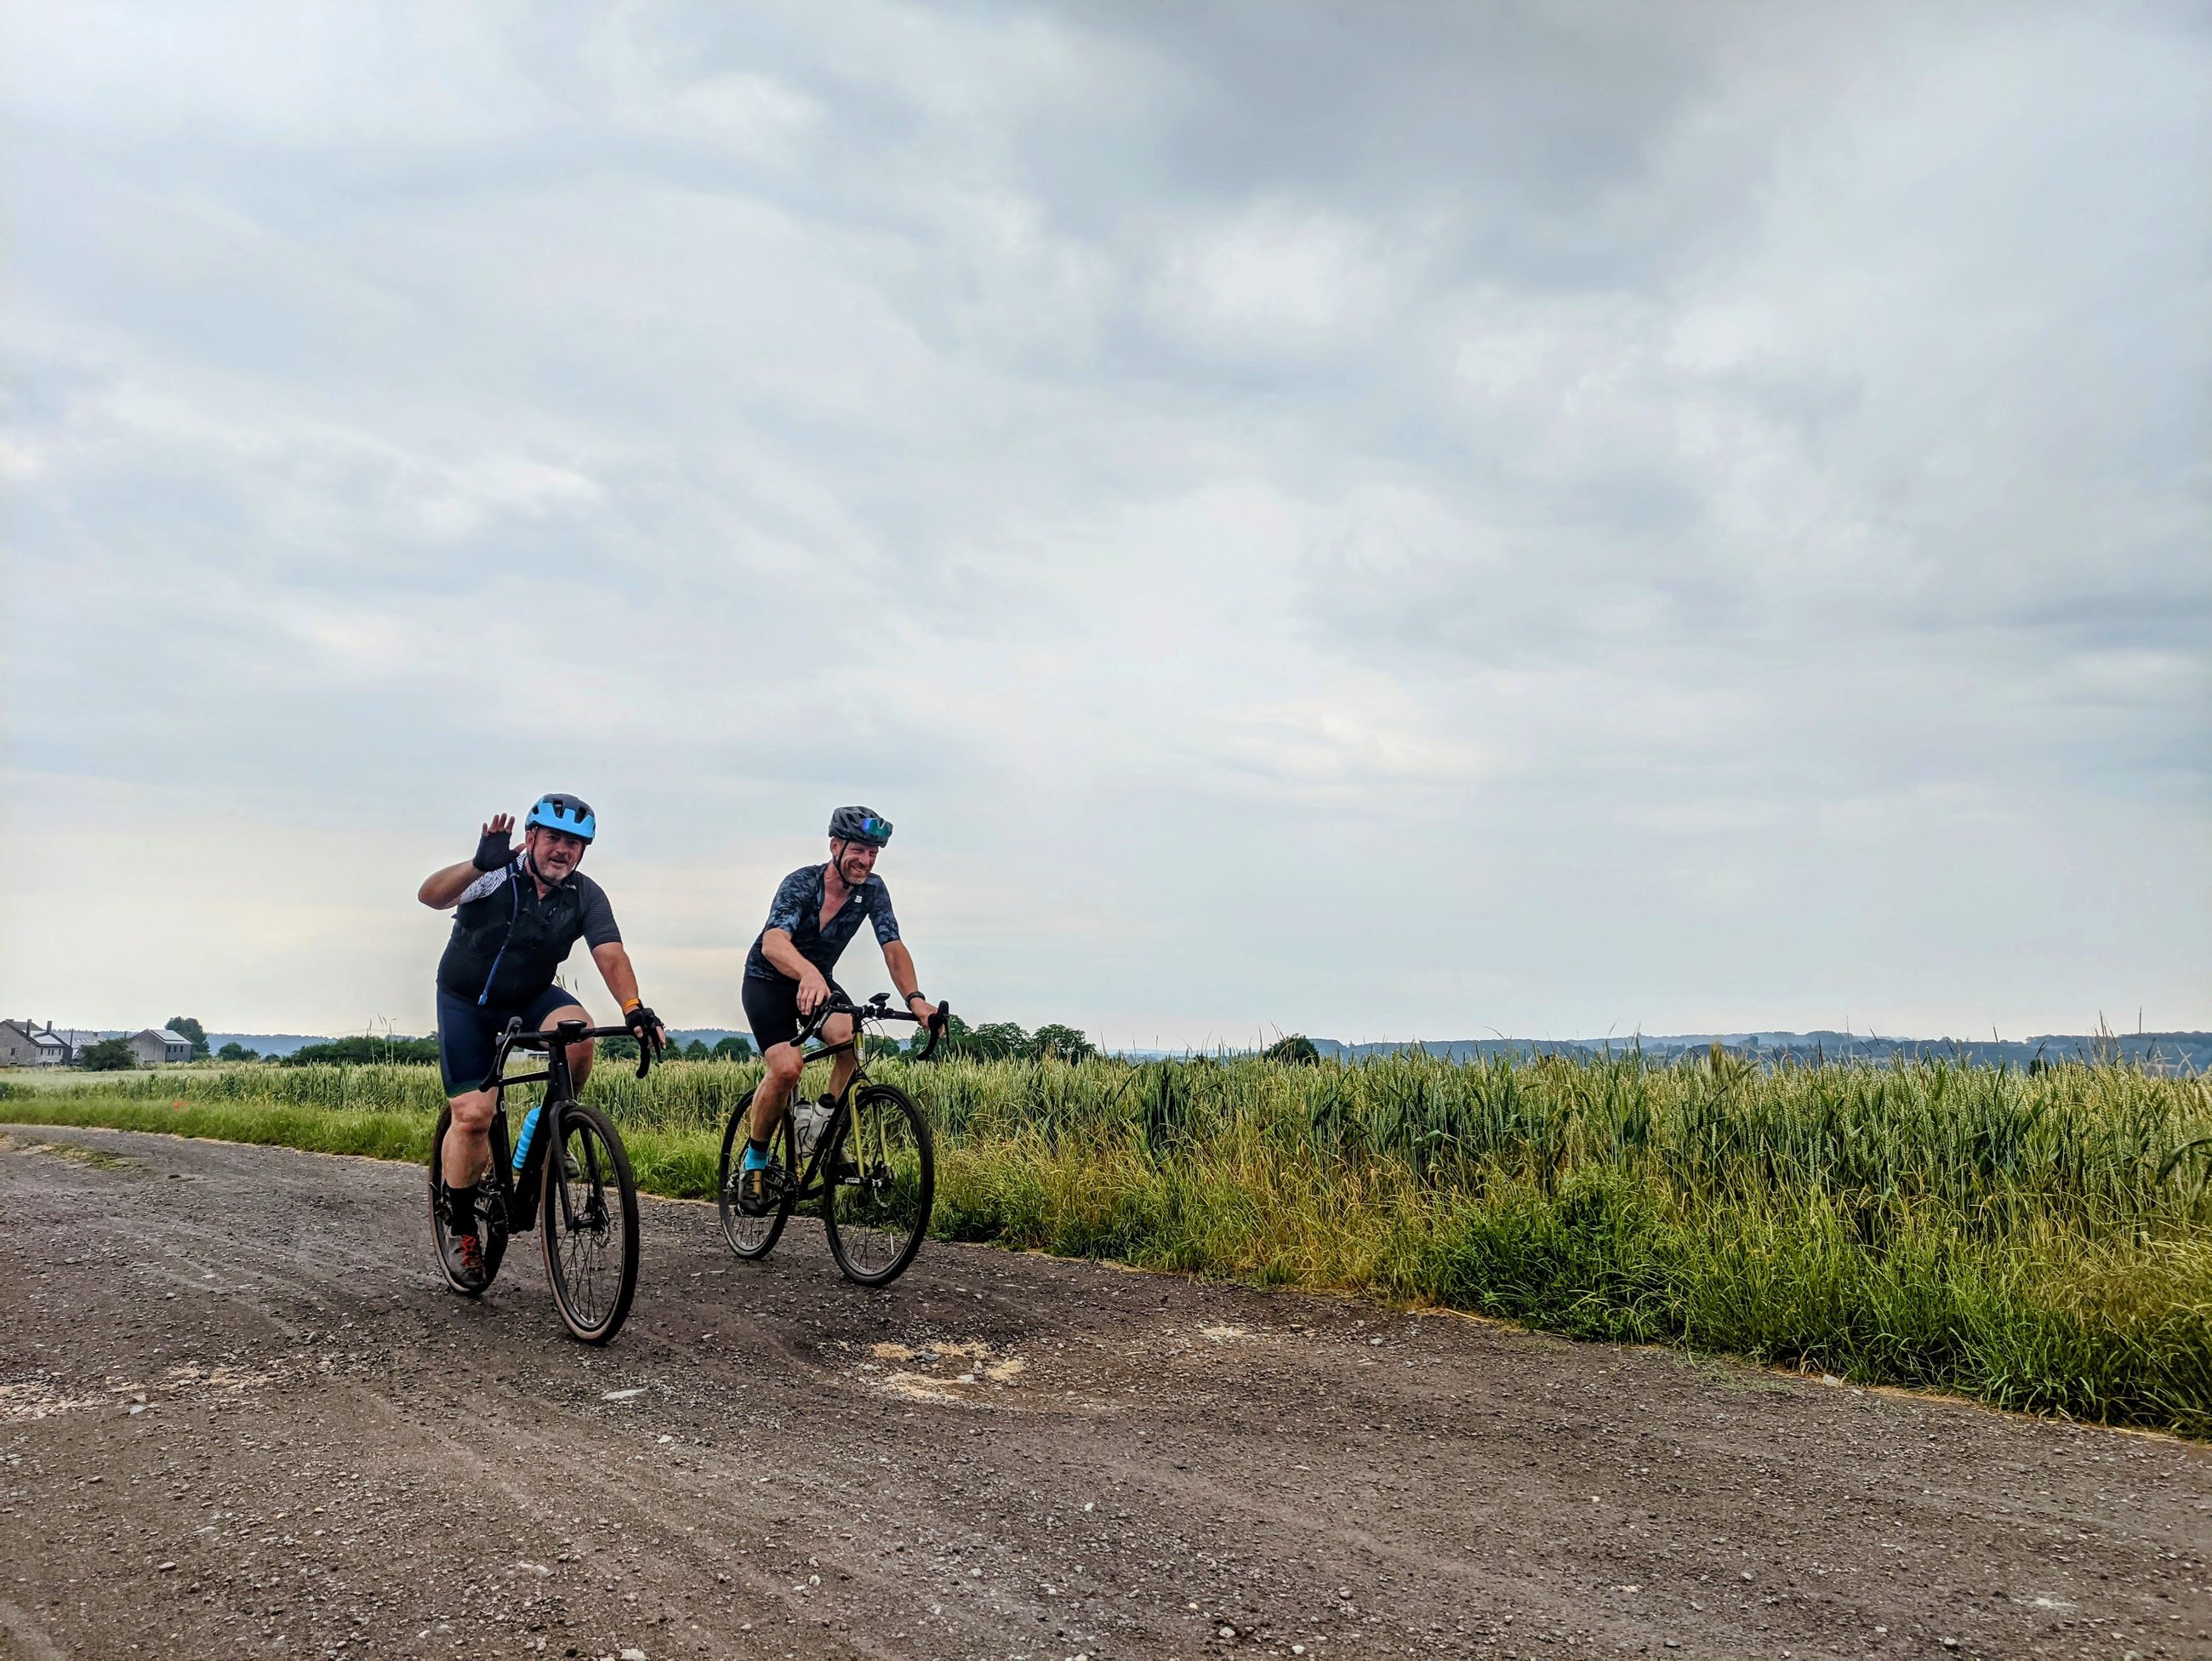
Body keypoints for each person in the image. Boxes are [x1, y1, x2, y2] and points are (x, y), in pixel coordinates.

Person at [416, 793, 664, 1286]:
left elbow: (610, 955)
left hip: (530, 996)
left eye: (574, 843)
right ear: (530, 838)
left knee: (580, 1035)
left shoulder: (585, 895)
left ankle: (546, 1127)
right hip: (467, 1003)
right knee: (473, 1117)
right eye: (553, 838)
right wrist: (474, 864)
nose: (562, 850)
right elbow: (431, 895)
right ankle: (462, 1227)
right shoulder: (494, 873)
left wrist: (634, 1008)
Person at [734, 806, 935, 1213]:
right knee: (788, 1068)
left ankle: (820, 1125)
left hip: (819, 981)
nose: (866, 860)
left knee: (848, 1037)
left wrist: (915, 999)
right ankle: (753, 1164)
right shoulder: (802, 883)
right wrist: (807, 973)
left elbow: (892, 946)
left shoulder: (874, 891)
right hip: (768, 980)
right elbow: (773, 943)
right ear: (836, 846)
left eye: (874, 853)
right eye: (859, 850)